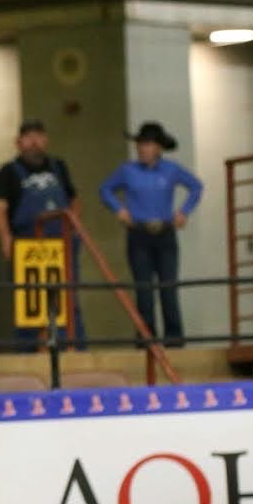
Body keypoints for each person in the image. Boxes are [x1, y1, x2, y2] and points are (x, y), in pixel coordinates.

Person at [98, 121, 204, 348]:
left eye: (147, 144)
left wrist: (183, 212)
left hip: (165, 233)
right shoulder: (128, 171)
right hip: (138, 234)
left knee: (168, 289)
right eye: (140, 144)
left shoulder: (171, 169)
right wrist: (119, 209)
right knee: (144, 291)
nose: (142, 149)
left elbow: (196, 186)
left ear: (158, 147)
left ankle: (174, 340)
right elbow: (105, 189)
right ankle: (146, 340)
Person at [0, 118, 84, 349]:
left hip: (61, 241)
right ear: (18, 142)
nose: (34, 142)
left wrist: (74, 227)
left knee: (67, 298)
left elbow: (74, 199)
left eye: (39, 136)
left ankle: (72, 347)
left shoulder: (58, 166)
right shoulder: (8, 172)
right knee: (29, 300)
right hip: (27, 243)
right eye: (29, 137)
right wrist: (5, 239)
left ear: (46, 140)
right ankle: (30, 352)